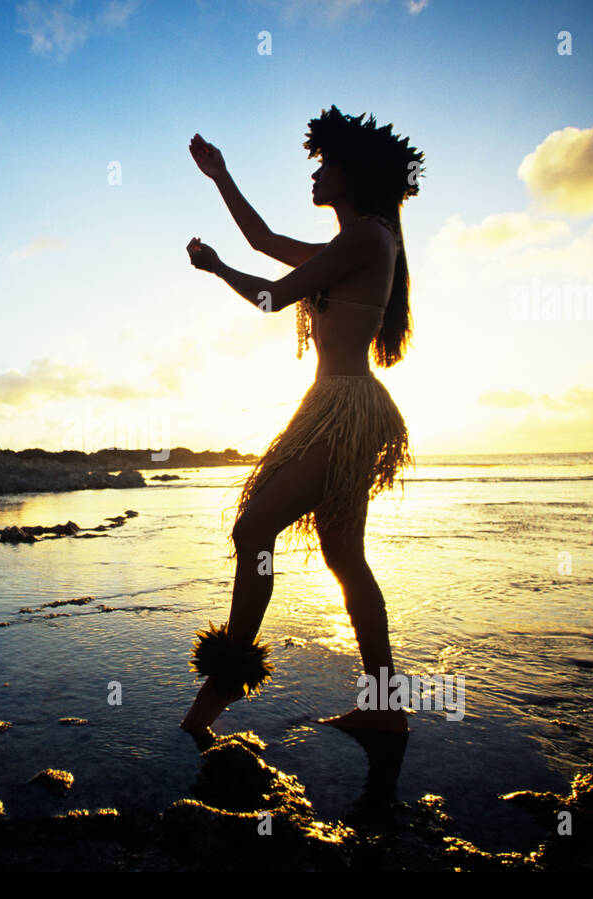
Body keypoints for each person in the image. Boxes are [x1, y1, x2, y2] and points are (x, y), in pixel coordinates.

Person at [180, 106, 424, 745]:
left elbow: (273, 296)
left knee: (255, 525)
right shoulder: (354, 244)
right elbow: (262, 240)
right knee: (345, 556)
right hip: (342, 408)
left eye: (325, 163)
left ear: (354, 172)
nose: (316, 174)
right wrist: (220, 175)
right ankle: (383, 705)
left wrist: (217, 270)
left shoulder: (368, 238)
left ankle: (220, 687)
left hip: (344, 410)